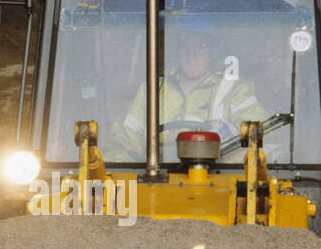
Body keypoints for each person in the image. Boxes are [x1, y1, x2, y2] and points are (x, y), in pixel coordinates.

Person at [110, 15, 269, 161]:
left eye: (201, 46)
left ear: (214, 52)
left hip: (221, 180)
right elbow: (123, 143)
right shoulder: (151, 90)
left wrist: (233, 148)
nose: (191, 54)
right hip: (160, 179)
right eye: (184, 45)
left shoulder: (236, 89)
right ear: (177, 50)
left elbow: (260, 138)